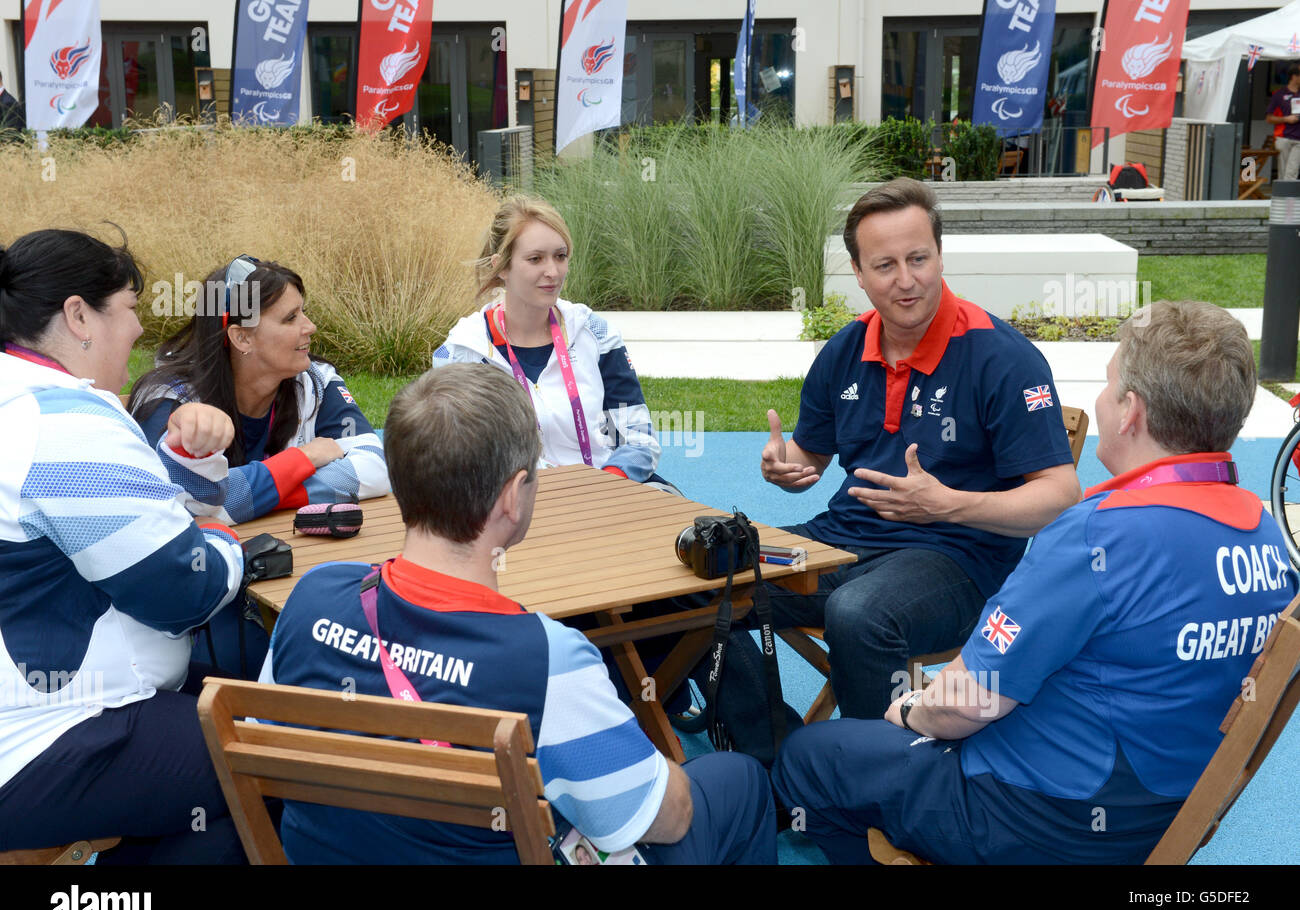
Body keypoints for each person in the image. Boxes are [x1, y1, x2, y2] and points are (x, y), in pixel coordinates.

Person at [773, 300, 1296, 865]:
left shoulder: (1101, 535)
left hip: (1045, 814)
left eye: (1108, 382)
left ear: (1130, 412)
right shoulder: (1266, 536)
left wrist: (907, 711)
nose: (1101, 398)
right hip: (1166, 813)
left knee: (810, 756)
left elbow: (966, 702)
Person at [259, 363, 775, 864]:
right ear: (512, 495)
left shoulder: (311, 597)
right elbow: (666, 818)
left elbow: (268, 747)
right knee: (738, 781)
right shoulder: (547, 660)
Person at [742, 177, 1080, 726]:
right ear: (857, 272)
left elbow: (1061, 496)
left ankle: (877, 780)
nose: (906, 281)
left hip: (960, 557)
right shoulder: (845, 349)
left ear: (940, 255)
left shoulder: (1002, 357)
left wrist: (948, 504)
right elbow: (811, 457)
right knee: (716, 577)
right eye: (885, 265)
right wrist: (786, 467)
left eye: (918, 258)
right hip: (844, 541)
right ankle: (769, 748)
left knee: (856, 614)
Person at [0, 229, 247, 864]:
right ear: (80, 315)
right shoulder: (59, 419)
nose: (139, 329)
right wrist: (222, 538)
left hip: (33, 711)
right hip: (43, 733)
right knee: (259, 773)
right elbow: (182, 593)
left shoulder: (18, 405)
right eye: (131, 306)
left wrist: (182, 469)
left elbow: (114, 525)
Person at [131, 255, 389, 675]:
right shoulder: (172, 399)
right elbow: (183, 510)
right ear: (242, 337)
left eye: (303, 312)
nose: (310, 327)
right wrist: (302, 459)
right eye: (290, 318)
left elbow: (376, 467)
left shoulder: (316, 382)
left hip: (294, 578)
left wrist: (245, 496)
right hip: (196, 615)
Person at [433, 196, 669, 487]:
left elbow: (637, 439)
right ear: (501, 267)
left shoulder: (595, 333)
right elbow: (459, 457)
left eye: (560, 256)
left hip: (608, 493)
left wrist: (606, 486)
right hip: (515, 505)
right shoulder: (462, 351)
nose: (553, 272)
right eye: (535, 259)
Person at [1266, 64, 1300, 180]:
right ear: (1294, 77)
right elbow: (1269, 118)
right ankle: (1282, 197)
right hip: (1283, 137)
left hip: (1298, 139)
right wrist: (1286, 119)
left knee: (1292, 172)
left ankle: (1288, 197)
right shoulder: (1279, 95)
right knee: (1283, 171)